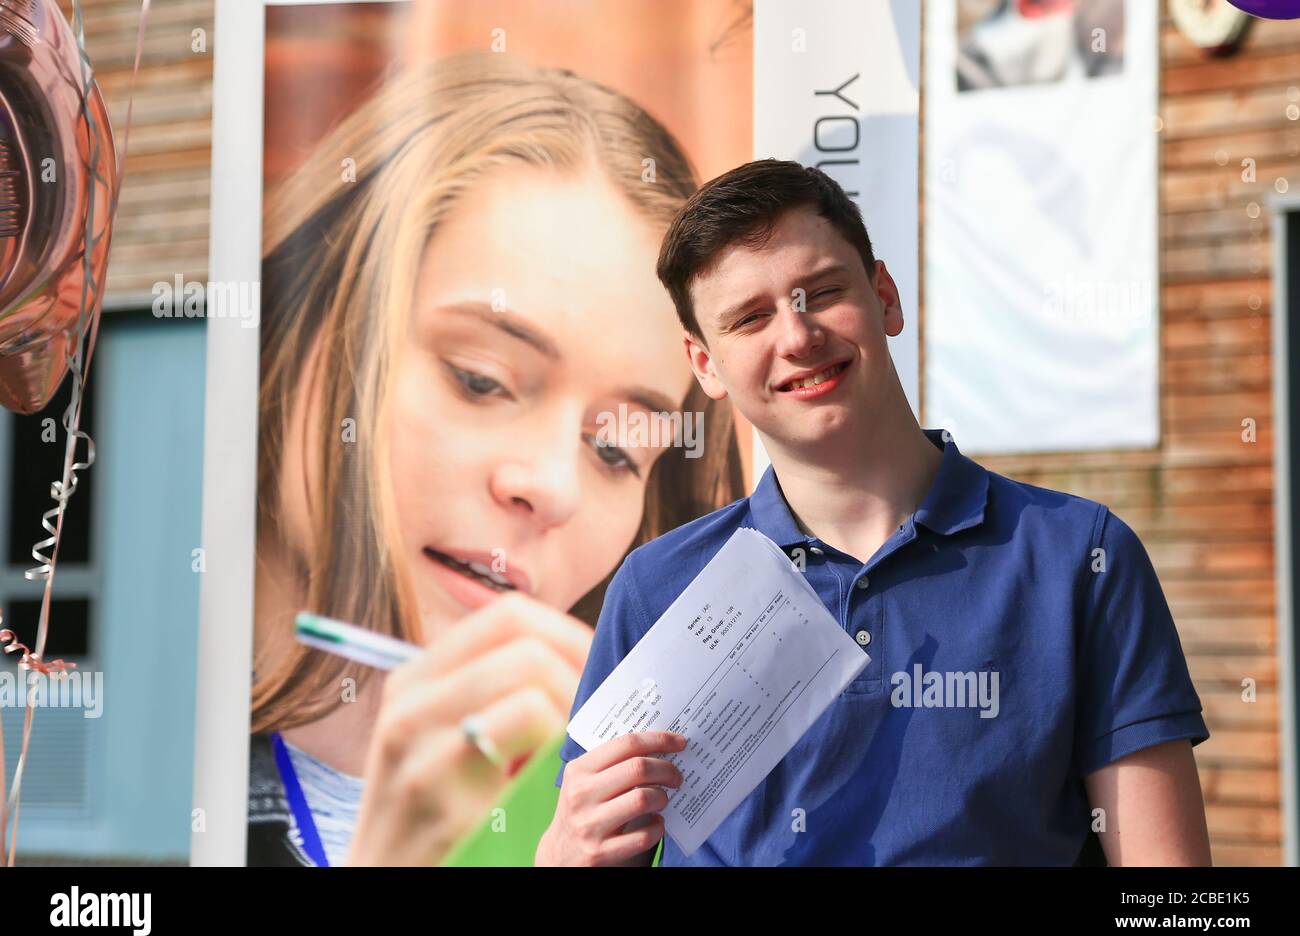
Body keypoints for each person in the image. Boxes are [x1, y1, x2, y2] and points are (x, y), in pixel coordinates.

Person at [538, 159, 1213, 866]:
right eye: (750, 318)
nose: (797, 336)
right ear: (705, 364)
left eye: (822, 292)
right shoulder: (656, 586)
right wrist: (563, 852)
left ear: (885, 296)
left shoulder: (1081, 559)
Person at [247, 52, 744, 866]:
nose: (549, 486)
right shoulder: (93, 741)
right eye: (482, 380)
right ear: (303, 328)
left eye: (619, 449)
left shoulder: (648, 819)